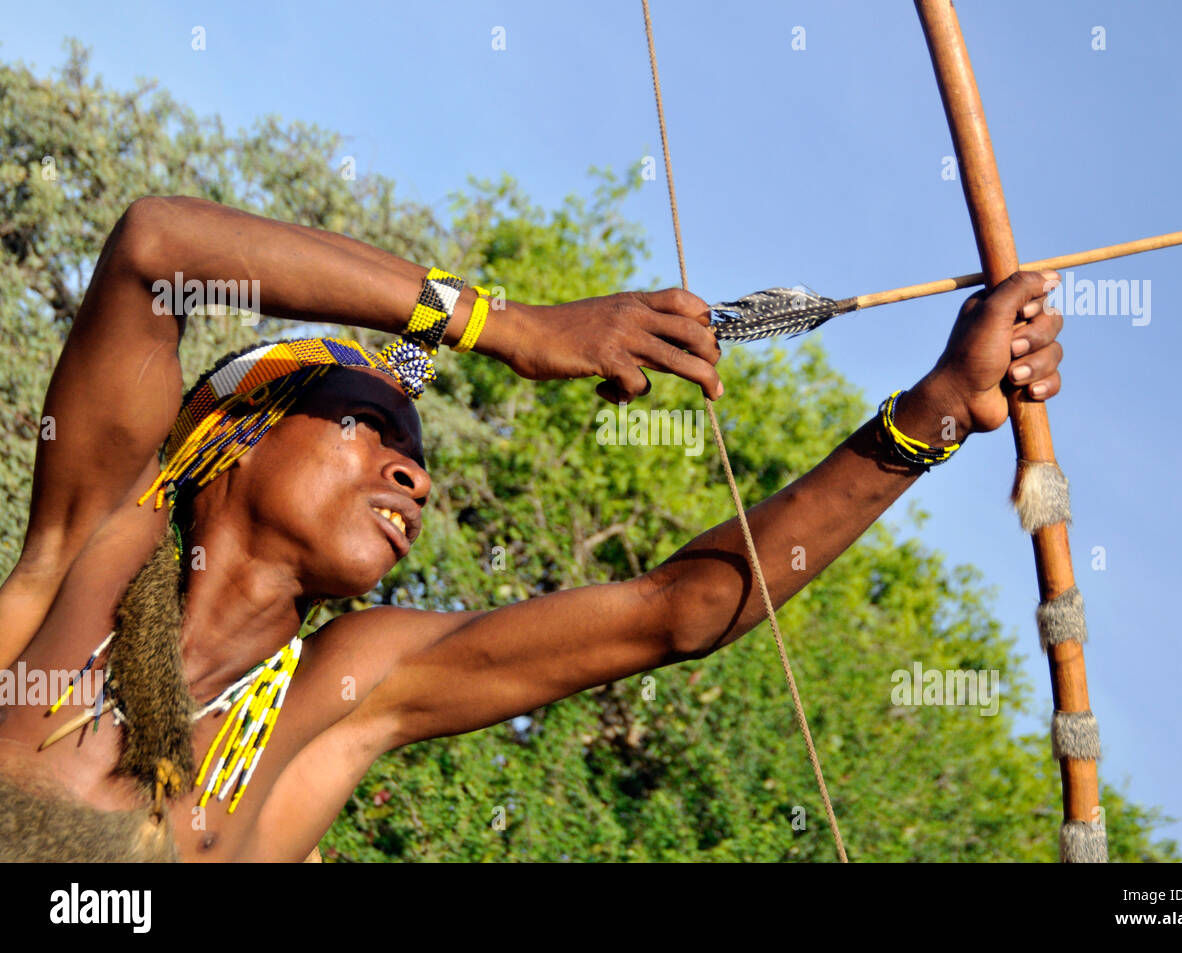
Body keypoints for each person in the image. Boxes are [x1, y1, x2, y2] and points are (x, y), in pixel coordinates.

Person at [0, 196, 1064, 862]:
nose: (411, 473)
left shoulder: (345, 693)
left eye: (413, 455)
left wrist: (930, 415)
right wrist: (503, 327)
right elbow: (155, 245)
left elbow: (677, 610)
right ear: (229, 438)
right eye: (370, 426)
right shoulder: (87, 552)